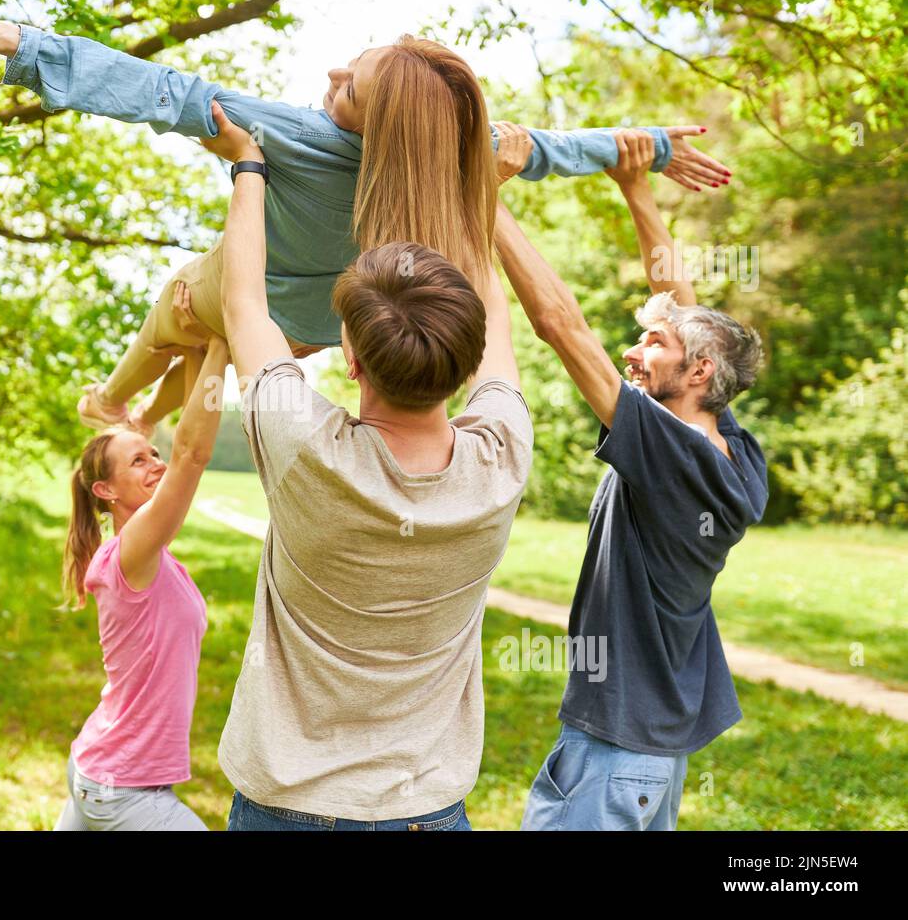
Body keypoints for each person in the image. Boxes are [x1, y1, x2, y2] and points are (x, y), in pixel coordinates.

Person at [0, 0, 731, 436]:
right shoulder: (452, 160)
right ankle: (147, 417)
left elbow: (156, 88)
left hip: (222, 299)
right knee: (206, 367)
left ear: (385, 122)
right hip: (295, 338)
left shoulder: (287, 132)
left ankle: (114, 401)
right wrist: (650, 148)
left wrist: (16, 41)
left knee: (171, 327)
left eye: (351, 86)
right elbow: (553, 149)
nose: (332, 75)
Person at [196, 101, 533, 829]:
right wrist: (483, 190)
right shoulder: (501, 458)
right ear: (469, 361)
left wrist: (249, 163)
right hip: (428, 811)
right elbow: (500, 319)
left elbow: (243, 302)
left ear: (348, 358)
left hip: (287, 808)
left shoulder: (303, 450)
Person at [492, 127, 767, 831]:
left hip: (617, 754)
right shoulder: (728, 448)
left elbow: (561, 326)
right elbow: (682, 305)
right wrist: (635, 187)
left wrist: (486, 196)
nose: (633, 351)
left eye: (652, 344)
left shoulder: (667, 453)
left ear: (698, 373)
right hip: (646, 751)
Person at [55, 319, 229, 831]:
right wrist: (222, 336)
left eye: (153, 453)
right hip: (125, 790)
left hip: (97, 765)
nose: (155, 463)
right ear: (107, 492)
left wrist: (202, 347)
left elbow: (185, 428)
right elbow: (192, 454)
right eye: (139, 461)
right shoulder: (130, 553)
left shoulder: (147, 550)